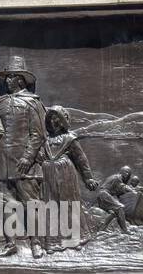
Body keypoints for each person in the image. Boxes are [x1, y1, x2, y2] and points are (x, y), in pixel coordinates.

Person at [0, 55, 48, 258]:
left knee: (30, 203)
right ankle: (10, 243)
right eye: (6, 77)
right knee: (5, 203)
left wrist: (28, 157)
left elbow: (38, 134)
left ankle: (36, 242)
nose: (7, 80)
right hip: (1, 160)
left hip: (24, 163)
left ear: (20, 80)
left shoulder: (32, 103)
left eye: (11, 76)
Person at [39, 105, 99, 249]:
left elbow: (81, 159)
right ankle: (53, 241)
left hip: (65, 176)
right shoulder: (45, 141)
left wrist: (88, 178)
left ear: (62, 121)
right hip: (48, 178)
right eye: (51, 119)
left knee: (69, 205)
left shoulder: (70, 139)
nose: (53, 122)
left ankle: (75, 238)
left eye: (56, 119)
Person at [96, 166, 135, 233]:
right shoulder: (118, 177)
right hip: (104, 194)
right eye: (125, 171)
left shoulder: (113, 177)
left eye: (128, 173)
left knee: (113, 213)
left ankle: (102, 228)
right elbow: (123, 187)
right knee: (120, 208)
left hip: (101, 195)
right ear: (121, 171)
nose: (127, 174)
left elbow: (117, 191)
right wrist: (133, 191)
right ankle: (125, 230)